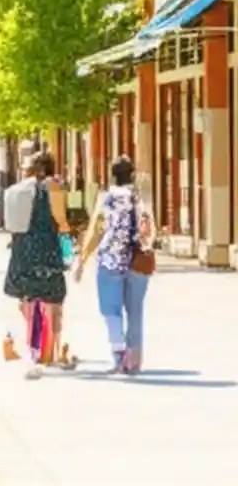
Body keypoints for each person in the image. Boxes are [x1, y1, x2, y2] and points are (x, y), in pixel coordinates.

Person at [75, 156, 154, 375]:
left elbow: (97, 231)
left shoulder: (106, 199)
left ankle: (119, 357)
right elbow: (150, 228)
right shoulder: (140, 197)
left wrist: (82, 260)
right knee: (135, 311)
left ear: (112, 175)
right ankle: (134, 361)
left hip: (111, 260)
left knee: (111, 311)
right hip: (138, 262)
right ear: (132, 173)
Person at [2, 152, 76, 378]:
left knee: (29, 300)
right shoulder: (52, 187)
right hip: (46, 249)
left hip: (21, 250)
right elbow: (61, 220)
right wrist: (68, 240)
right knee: (52, 302)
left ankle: (35, 349)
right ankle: (47, 353)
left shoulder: (20, 190)